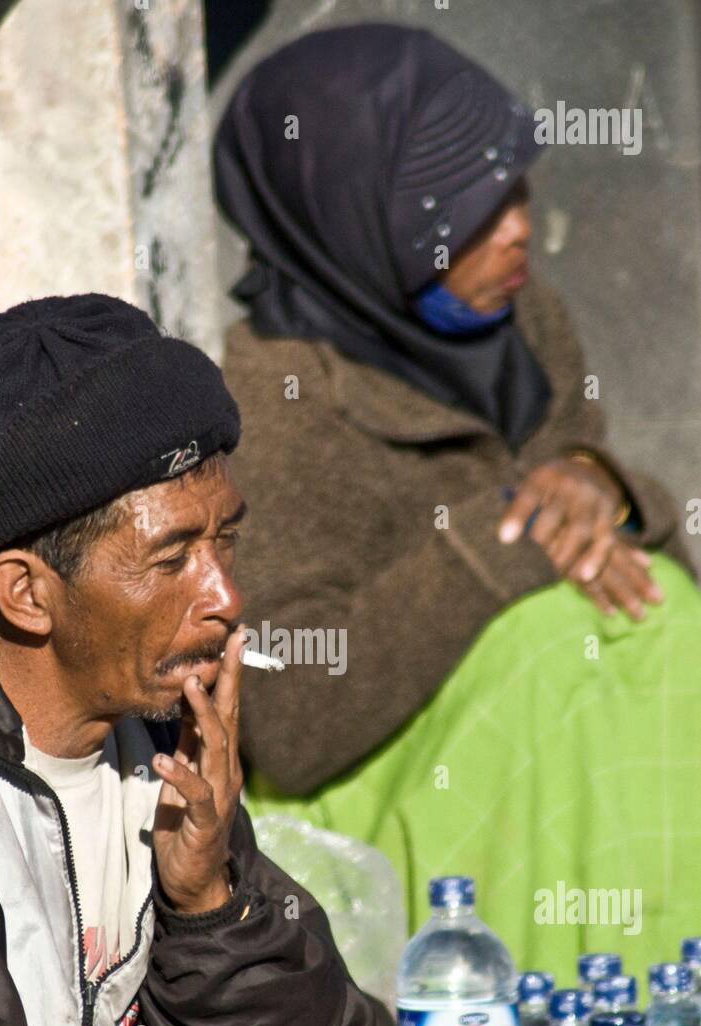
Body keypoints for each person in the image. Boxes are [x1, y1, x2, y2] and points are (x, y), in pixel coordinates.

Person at [0, 294, 584, 1026]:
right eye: (173, 558)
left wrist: (213, 904)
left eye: (226, 543)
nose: (225, 598)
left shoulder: (159, 725)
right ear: (27, 592)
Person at [214, 24, 701, 977]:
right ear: (349, 217)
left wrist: (603, 492)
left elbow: (587, 489)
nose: (516, 226)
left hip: (553, 736)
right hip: (379, 789)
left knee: (663, 622)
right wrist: (500, 538)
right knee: (558, 649)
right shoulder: (270, 405)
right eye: (466, 211)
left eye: (513, 188)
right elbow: (293, 723)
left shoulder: (520, 320)